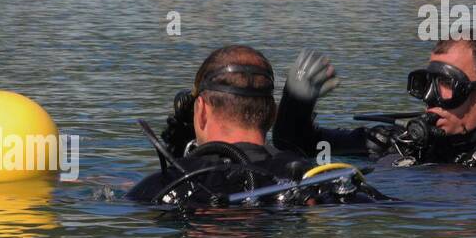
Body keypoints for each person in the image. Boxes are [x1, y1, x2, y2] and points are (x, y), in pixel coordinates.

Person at [272, 38, 476, 168]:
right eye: (425, 86)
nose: (431, 101)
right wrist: (297, 99)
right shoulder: (406, 142)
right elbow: (297, 144)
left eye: (447, 86)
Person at [130, 45, 383, 209]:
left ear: (202, 110)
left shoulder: (163, 187)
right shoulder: (315, 180)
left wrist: (176, 166)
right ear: (272, 113)